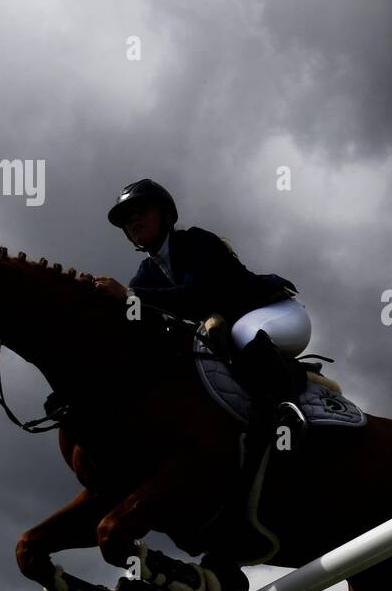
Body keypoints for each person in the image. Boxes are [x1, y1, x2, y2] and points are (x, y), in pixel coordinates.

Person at [93, 178, 311, 438]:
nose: (134, 220)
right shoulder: (147, 272)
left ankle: (287, 410)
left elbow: (195, 297)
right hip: (234, 328)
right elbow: (134, 316)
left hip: (277, 313)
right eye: (128, 218)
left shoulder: (197, 241)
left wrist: (127, 294)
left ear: (166, 215)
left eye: (142, 211)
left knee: (242, 333)